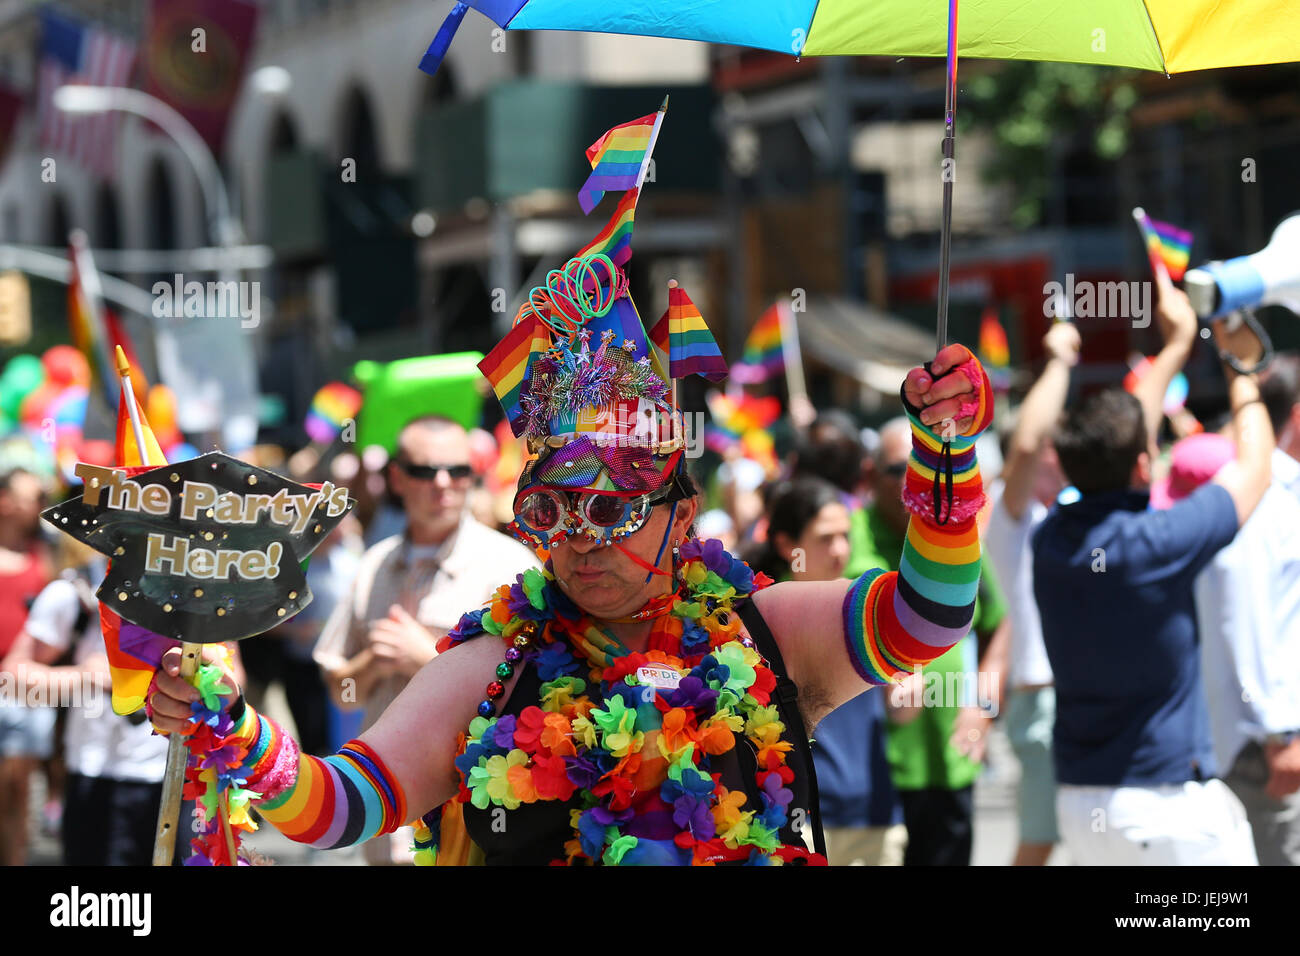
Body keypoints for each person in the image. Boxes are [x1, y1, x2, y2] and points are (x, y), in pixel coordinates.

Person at [147, 231, 995, 865]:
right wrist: (237, 729)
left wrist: (945, 457)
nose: (580, 544)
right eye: (551, 511)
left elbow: (927, 615)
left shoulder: (764, 632)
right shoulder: (495, 666)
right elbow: (344, 806)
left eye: (611, 509)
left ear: (682, 510)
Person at [1033, 272, 1271, 866]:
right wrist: (1243, 371)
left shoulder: (1052, 540)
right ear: (1144, 464)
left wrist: (1177, 345)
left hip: (1083, 808)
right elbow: (1256, 468)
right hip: (1168, 810)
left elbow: (1119, 443)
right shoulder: (1156, 542)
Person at [312, 414, 540, 864]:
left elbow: (532, 699)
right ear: (396, 478)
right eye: (424, 471)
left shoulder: (511, 568)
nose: (443, 483)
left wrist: (426, 660)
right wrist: (375, 662)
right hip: (382, 817)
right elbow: (341, 692)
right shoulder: (374, 565)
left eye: (458, 471)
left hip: (462, 824)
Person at [847, 417, 1008, 866]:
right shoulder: (842, 538)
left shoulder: (955, 538)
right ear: (869, 476)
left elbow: (997, 624)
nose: (913, 482)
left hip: (947, 764)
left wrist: (985, 709)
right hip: (867, 776)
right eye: (901, 469)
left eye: (926, 468)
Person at [1174, 374, 1300, 865]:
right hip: (1266, 743)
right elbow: (1239, 615)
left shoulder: (1277, 489)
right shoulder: (1264, 496)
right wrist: (1280, 734)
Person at [755, 476, 907, 866]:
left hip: (875, 813)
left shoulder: (861, 615)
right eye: (825, 537)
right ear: (788, 546)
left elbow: (905, 711)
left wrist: (911, 671)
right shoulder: (761, 619)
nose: (840, 549)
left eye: (845, 535)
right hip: (801, 818)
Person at [982, 321, 1080, 866]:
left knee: (1086, 838)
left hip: (1073, 698)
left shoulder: (1063, 511)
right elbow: (1024, 440)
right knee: (1040, 841)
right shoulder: (1010, 513)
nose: (1061, 451)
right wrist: (1059, 361)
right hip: (1040, 700)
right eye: (1052, 443)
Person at [0, 467, 53, 866]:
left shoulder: (45, 553)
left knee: (19, 784)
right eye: (31, 496)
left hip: (28, 688)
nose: (40, 503)